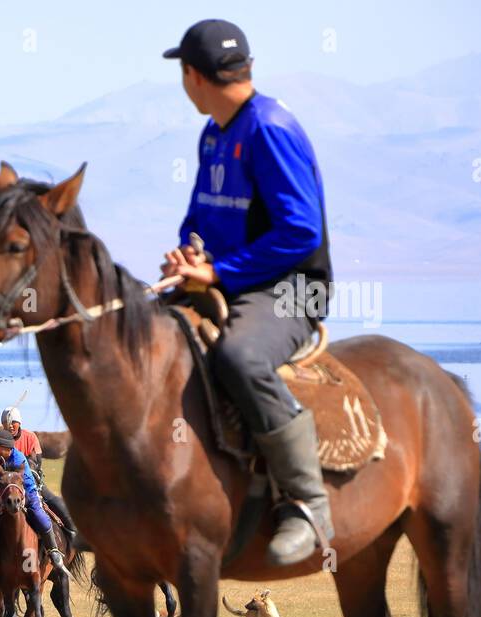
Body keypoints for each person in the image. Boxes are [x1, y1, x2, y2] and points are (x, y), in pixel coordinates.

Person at [160, 19, 334, 566]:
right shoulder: (215, 132)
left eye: (182, 74)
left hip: (294, 291)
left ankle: (307, 504)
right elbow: (200, 216)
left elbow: (300, 232)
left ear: (193, 76)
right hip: (229, 279)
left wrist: (220, 273)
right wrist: (191, 253)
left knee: (239, 355)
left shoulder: (269, 129)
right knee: (140, 338)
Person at [0, 429, 66, 572]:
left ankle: (53, 550)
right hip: (0, 496)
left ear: (6, 448)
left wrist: (22, 496)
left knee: (39, 515)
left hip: (26, 493)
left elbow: (27, 484)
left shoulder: (18, 459)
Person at [0, 407, 76, 540]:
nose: (10, 425)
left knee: (57, 503)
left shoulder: (30, 437)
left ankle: (73, 536)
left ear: (19, 422)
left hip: (30, 482)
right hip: (5, 486)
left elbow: (37, 463)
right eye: (6, 422)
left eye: (13, 422)